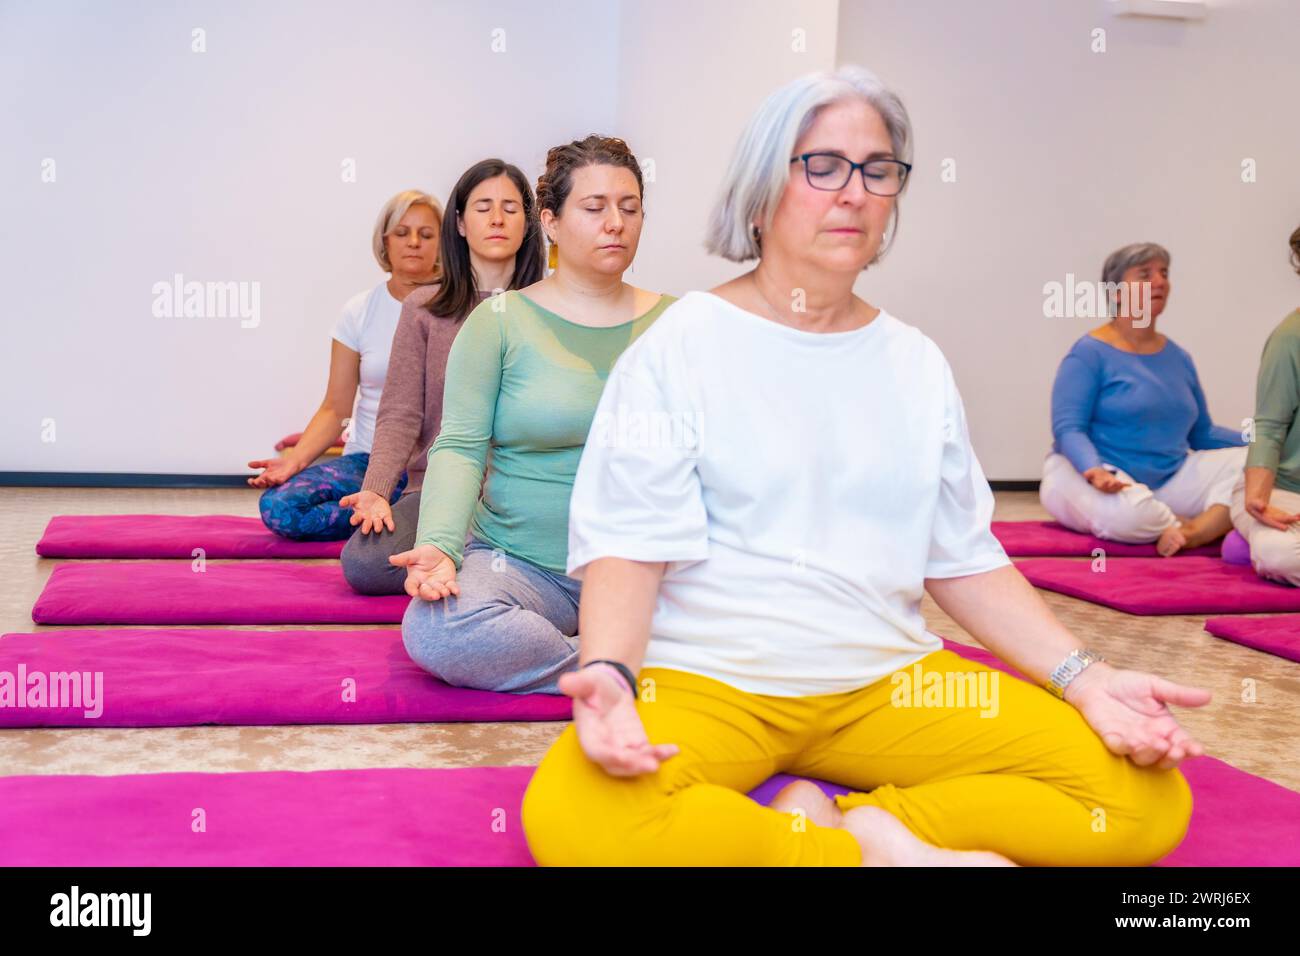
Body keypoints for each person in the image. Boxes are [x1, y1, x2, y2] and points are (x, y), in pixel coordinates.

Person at [521, 66, 1209, 867]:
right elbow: (631, 548)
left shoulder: (915, 361)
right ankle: (846, 852)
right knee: (577, 816)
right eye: (822, 165)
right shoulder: (682, 344)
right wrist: (610, 673)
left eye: (877, 170)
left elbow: (963, 560)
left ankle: (870, 825)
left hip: (891, 683)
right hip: (714, 681)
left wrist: (1086, 679)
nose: (852, 191)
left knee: (1140, 798)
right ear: (759, 189)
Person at [393, 136, 675, 693]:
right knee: (438, 629)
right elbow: (460, 446)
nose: (615, 223)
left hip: (646, 572)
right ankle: (616, 667)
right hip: (523, 568)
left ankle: (611, 654)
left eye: (630, 207)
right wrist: (441, 546)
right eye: (594, 208)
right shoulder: (498, 322)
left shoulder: (679, 324)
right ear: (550, 221)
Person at [339, 160, 545, 593]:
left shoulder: (550, 305)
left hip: (525, 493)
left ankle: (481, 565)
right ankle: (478, 562)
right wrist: (376, 489)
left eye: (510, 208)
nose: (496, 218)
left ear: (528, 224)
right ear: (461, 223)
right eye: (483, 206)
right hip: (439, 489)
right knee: (365, 562)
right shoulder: (424, 307)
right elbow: (399, 412)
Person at [248, 190, 441, 539]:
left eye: (426, 235)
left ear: (443, 244)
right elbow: (336, 407)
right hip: (368, 461)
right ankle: (387, 518)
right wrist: (295, 461)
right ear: (385, 242)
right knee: (280, 507)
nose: (414, 242)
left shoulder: (458, 309)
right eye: (402, 232)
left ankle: (397, 517)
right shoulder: (359, 310)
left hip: (432, 469)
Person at [1040, 242, 1247, 555]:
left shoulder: (1178, 357)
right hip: (1095, 475)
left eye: (1163, 273)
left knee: (1253, 465)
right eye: (1145, 275)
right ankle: (1198, 523)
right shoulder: (1088, 353)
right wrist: (1094, 470)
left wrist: (1261, 439)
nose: (1160, 282)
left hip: (1168, 480)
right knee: (1130, 514)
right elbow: (1069, 428)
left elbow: (1202, 434)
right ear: (1117, 292)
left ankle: (1190, 531)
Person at [1230, 225, 1300, 585]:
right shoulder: (1290, 338)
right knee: (1283, 554)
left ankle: (1246, 546)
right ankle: (1256, 541)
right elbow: (1269, 426)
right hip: (1286, 492)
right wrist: (1257, 499)